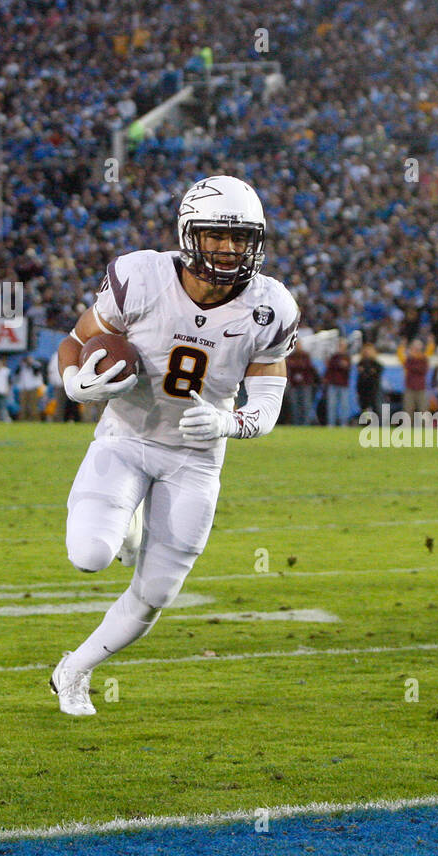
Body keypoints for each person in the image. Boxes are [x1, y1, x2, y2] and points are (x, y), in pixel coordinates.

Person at [49, 175, 297, 716]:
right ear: (190, 234)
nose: (229, 249)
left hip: (196, 459)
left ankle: (75, 669)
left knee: (157, 593)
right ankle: (129, 524)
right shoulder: (140, 276)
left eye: (241, 238)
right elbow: (75, 340)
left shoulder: (270, 305)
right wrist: (72, 382)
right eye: (216, 236)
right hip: (125, 437)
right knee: (89, 554)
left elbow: (269, 403)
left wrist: (230, 424)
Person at [285, 340, 319, 425]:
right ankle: (296, 423)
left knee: (306, 405)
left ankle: (305, 423)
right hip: (294, 384)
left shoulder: (306, 356)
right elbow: (290, 366)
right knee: (294, 406)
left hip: (305, 384)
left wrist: (297, 365)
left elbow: (308, 367)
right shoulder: (292, 356)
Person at [323, 337, 352, 426]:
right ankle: (331, 424)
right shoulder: (334, 357)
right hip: (333, 384)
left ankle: (344, 424)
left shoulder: (347, 357)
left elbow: (347, 368)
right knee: (332, 406)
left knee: (344, 406)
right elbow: (331, 369)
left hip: (343, 384)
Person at [355, 342, 384, 418]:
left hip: (373, 390)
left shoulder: (376, 364)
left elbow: (377, 372)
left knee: (376, 407)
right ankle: (365, 424)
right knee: (364, 408)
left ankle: (378, 424)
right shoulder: (360, 363)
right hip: (363, 390)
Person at [401, 338, 430, 413]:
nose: (416, 349)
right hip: (410, 387)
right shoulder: (409, 358)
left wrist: (413, 365)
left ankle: (423, 424)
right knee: (408, 409)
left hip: (421, 387)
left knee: (423, 409)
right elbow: (407, 366)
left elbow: (423, 369)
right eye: (414, 347)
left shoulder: (423, 358)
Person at [16, 356, 43, 421]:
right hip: (24, 388)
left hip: (33, 388)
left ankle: (35, 420)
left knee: (33, 405)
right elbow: (16, 373)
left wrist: (31, 363)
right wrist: (22, 364)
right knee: (23, 406)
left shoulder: (35, 365)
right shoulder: (22, 367)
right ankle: (23, 420)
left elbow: (36, 371)